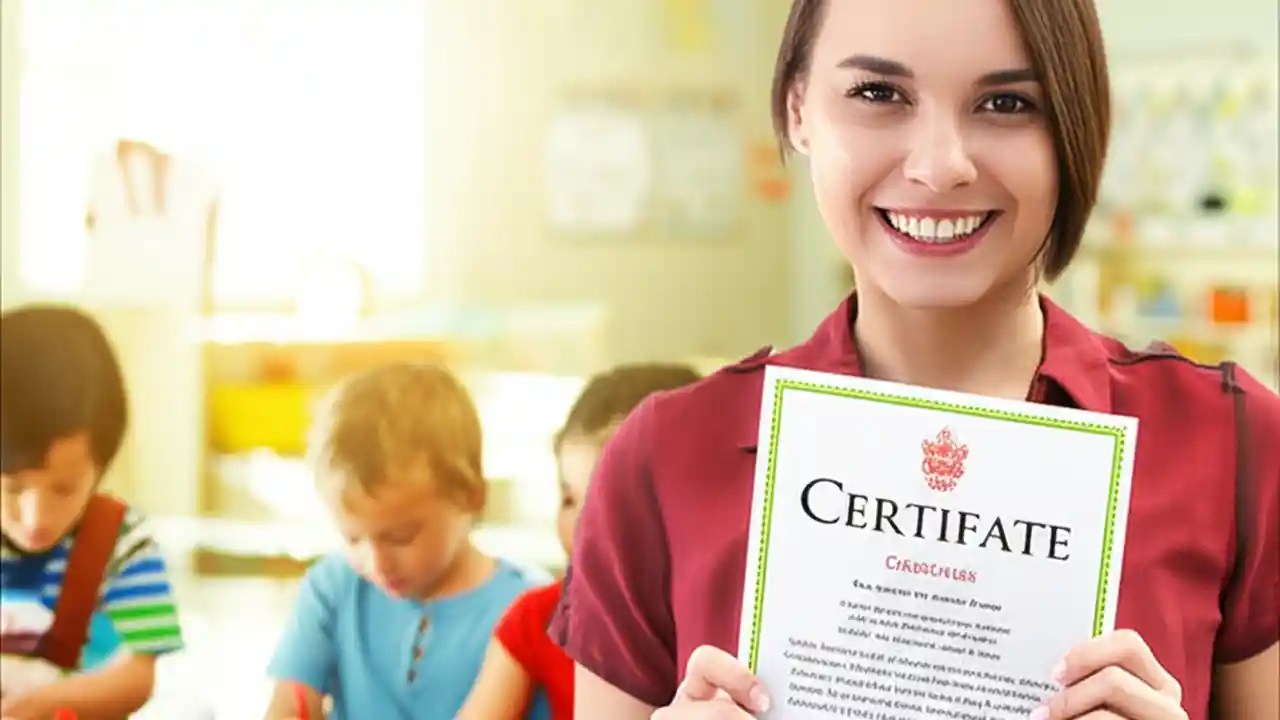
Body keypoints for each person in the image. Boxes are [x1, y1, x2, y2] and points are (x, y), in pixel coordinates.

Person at [549, 1, 1280, 719]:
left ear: (1077, 123)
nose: (940, 166)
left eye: (1005, 102)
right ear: (799, 108)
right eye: (878, 94)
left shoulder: (1235, 446)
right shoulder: (661, 460)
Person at [263, 362, 551, 720]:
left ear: (471, 496)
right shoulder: (334, 585)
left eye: (400, 537)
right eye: (352, 538)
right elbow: (288, 706)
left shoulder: (530, 611)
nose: (377, 563)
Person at [457, 363, 703, 720]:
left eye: (608, 506)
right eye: (569, 499)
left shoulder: (730, 628)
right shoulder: (537, 618)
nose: (581, 528)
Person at [0, 306, 184, 719]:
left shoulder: (120, 542)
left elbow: (138, 675)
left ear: (100, 468)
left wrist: (38, 706)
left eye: (63, 490)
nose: (35, 518)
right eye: (12, 488)